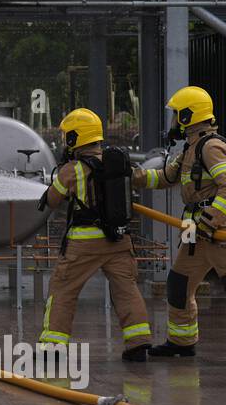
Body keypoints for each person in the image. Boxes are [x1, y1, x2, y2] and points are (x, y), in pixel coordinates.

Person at [132, 86, 226, 364]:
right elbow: (166, 177)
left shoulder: (211, 147)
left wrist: (211, 220)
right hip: (194, 228)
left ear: (189, 115)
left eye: (177, 115)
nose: (173, 121)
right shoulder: (191, 147)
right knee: (179, 283)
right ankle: (181, 340)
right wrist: (133, 177)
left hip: (219, 228)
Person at [38, 108, 153, 361]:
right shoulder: (120, 163)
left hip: (84, 245)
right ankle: (139, 343)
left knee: (63, 289)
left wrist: (46, 192)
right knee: (127, 290)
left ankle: (53, 347)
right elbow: (142, 178)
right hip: (120, 240)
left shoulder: (73, 170)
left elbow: (53, 199)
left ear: (74, 139)